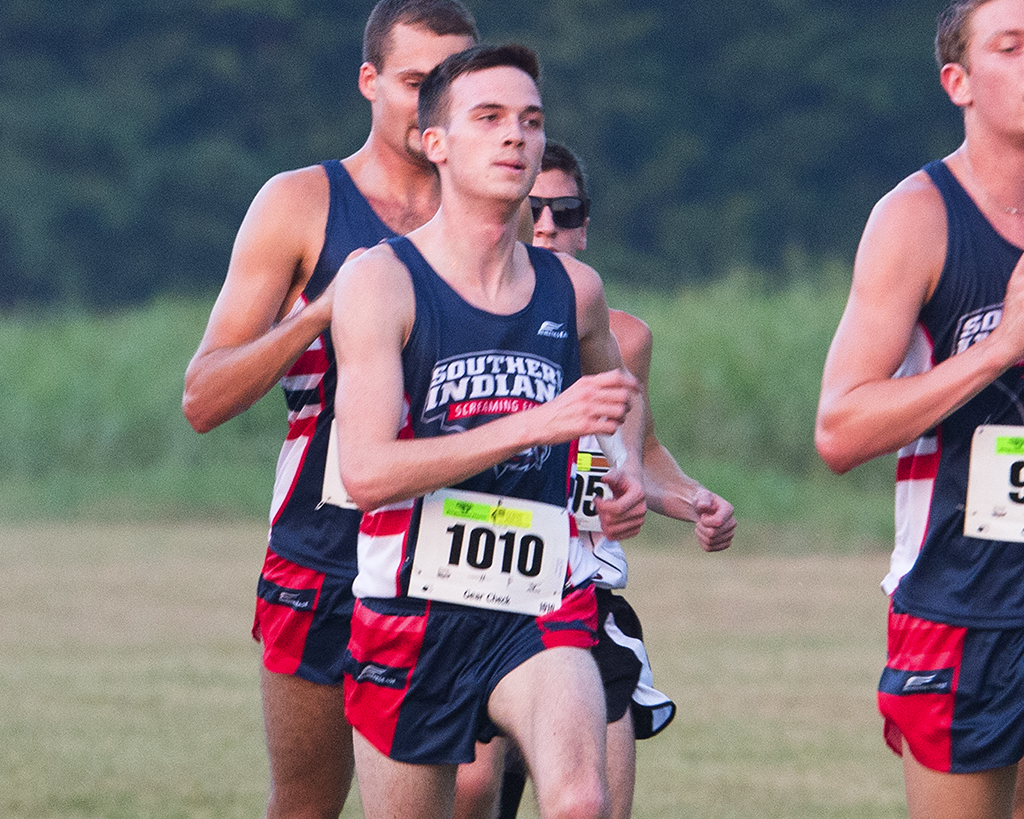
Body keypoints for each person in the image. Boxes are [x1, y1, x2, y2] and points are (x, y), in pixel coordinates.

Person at [331, 43, 648, 819]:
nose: (516, 136)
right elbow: (366, 472)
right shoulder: (381, 281)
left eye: (531, 121)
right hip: (410, 607)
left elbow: (617, 395)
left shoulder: (575, 290)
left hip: (539, 599)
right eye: (490, 118)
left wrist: (626, 469)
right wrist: (537, 423)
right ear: (435, 143)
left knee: (579, 802)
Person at [181, 3, 478, 817]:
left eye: (451, 85)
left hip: (460, 550)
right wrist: (319, 312)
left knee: (467, 797)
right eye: (415, 83)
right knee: (308, 802)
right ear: (369, 82)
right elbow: (203, 396)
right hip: (325, 550)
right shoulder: (300, 203)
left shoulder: (495, 211)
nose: (432, 107)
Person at [455, 142, 737, 819]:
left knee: (595, 803)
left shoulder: (624, 337)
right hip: (479, 585)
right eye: (536, 208)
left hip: (586, 594)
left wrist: (690, 498)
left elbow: (638, 451)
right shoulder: (464, 317)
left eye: (567, 209)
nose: (550, 224)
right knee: (471, 790)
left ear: (586, 225)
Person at [815, 1, 1024, 817]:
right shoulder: (917, 218)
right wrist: (1001, 349)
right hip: (958, 598)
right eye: (1013, 45)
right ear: (959, 81)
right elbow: (839, 428)